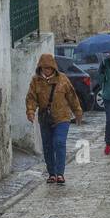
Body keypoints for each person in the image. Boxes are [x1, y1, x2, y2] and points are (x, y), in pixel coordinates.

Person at [25, 53, 84, 184]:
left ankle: (60, 173)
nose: (46, 70)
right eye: (43, 68)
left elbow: (72, 96)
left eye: (48, 68)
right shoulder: (36, 81)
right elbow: (31, 98)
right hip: (45, 118)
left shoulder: (62, 79)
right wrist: (30, 111)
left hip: (62, 117)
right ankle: (52, 173)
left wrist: (78, 111)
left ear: (53, 68)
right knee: (47, 146)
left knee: (59, 142)